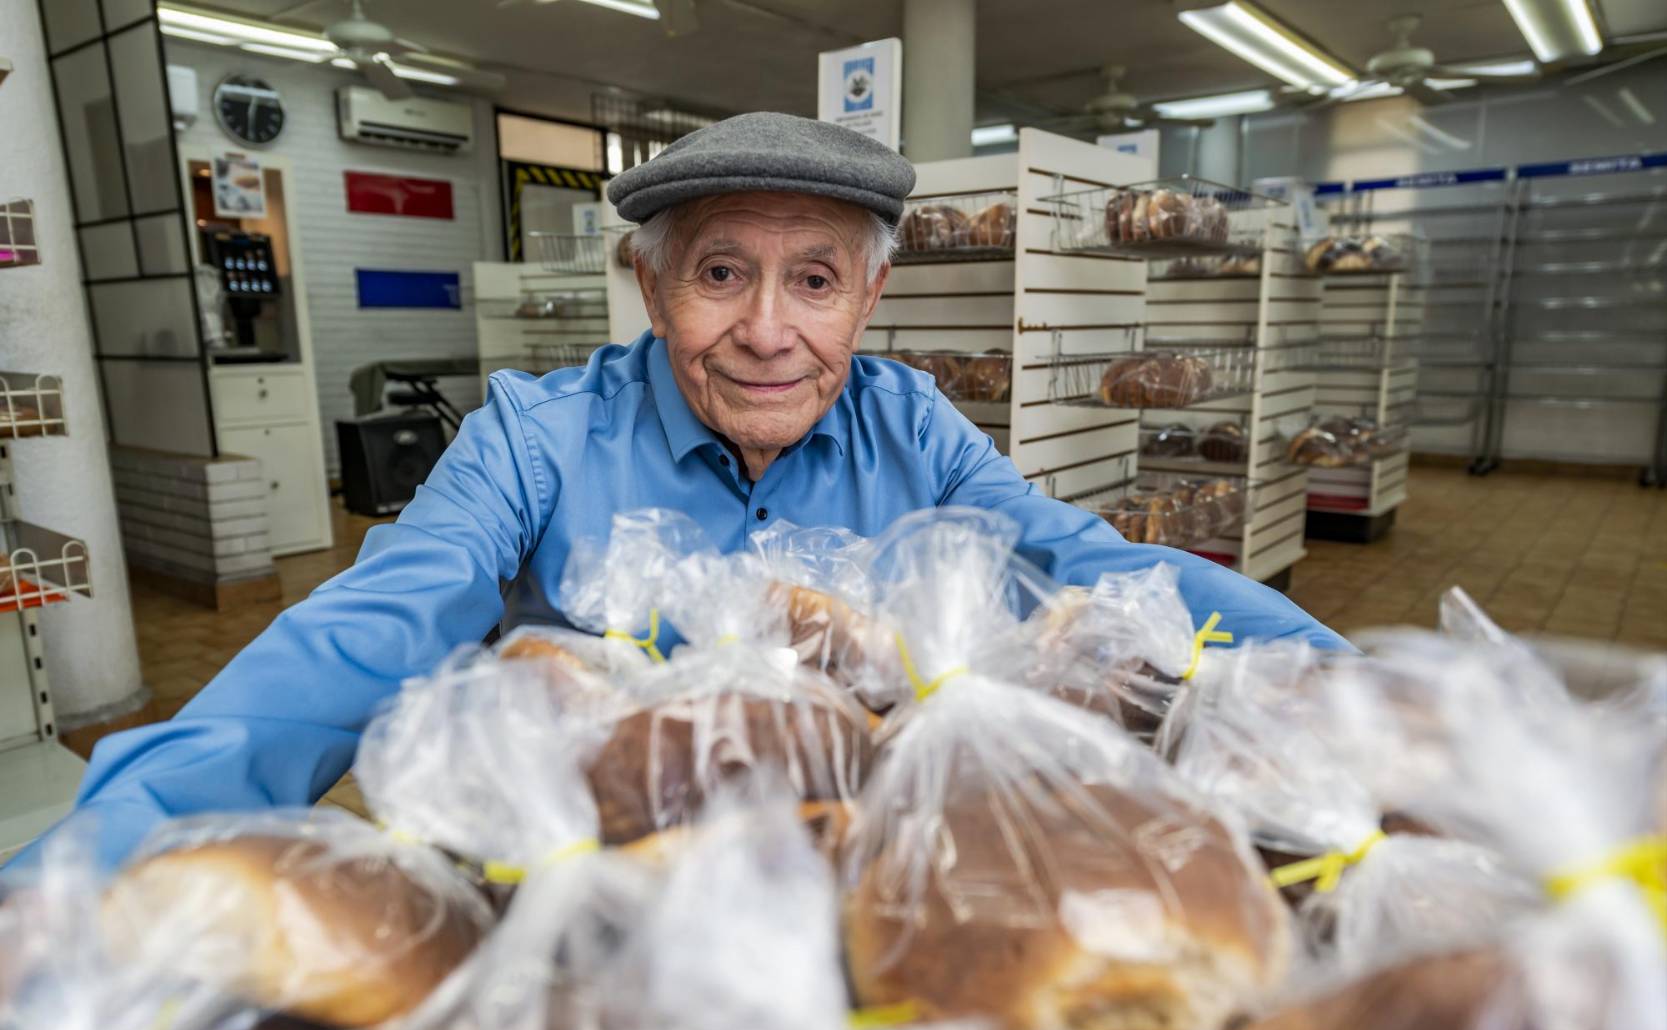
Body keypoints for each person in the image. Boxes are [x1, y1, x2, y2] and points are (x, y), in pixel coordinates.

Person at [1, 113, 1343, 878]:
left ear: (870, 297)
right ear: (650, 287)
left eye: (815, 281)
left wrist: (1361, 687)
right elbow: (370, 628)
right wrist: (89, 861)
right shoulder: (536, 436)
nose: (770, 332)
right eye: (719, 275)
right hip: (580, 915)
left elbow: (1096, 567)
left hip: (847, 907)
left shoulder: (913, 429)